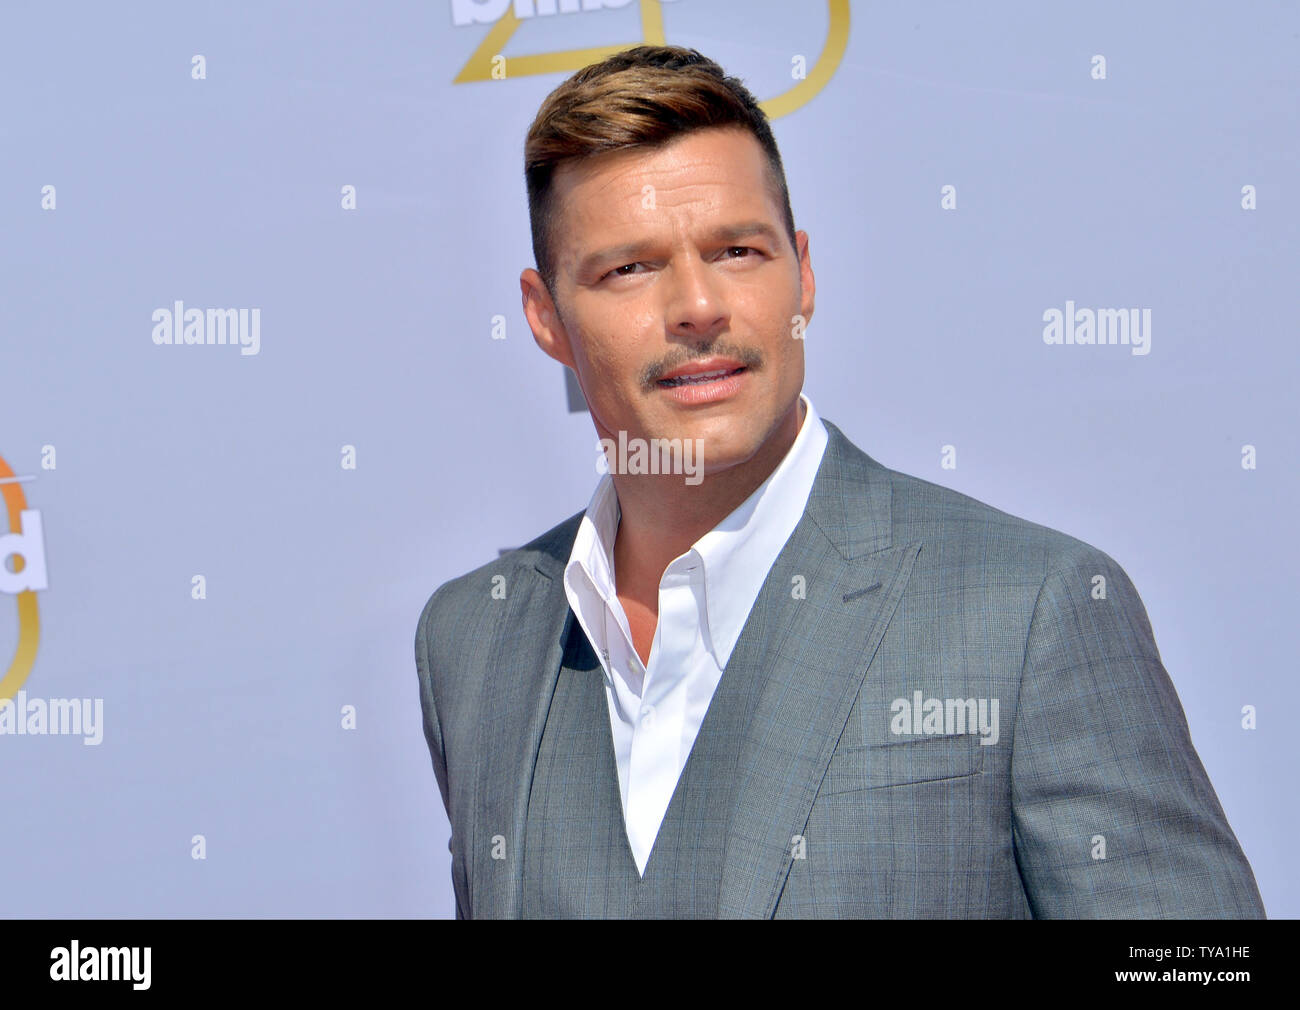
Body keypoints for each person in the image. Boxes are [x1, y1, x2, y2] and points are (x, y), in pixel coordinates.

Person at [414, 44, 1265, 918]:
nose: (699, 306)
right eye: (630, 268)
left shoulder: (1028, 610)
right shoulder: (476, 641)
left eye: (739, 250)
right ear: (545, 315)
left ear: (803, 273)